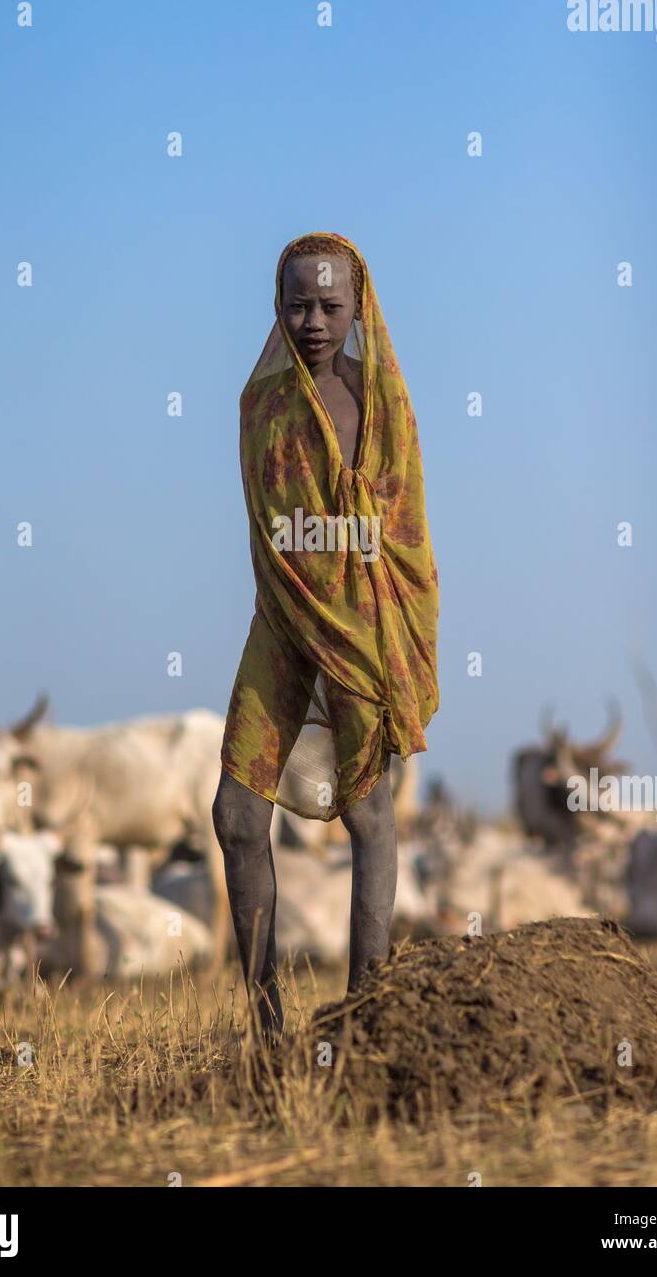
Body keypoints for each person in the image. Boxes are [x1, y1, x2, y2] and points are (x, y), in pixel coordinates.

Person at [213, 232, 439, 1038]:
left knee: (368, 816)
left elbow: (405, 532)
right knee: (237, 815)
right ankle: (267, 1022)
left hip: (360, 626)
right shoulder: (260, 407)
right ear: (277, 308)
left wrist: (389, 629)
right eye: (297, 304)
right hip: (279, 621)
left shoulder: (382, 405)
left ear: (358, 307)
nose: (312, 321)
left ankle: (367, 1013)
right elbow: (266, 529)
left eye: (329, 305)